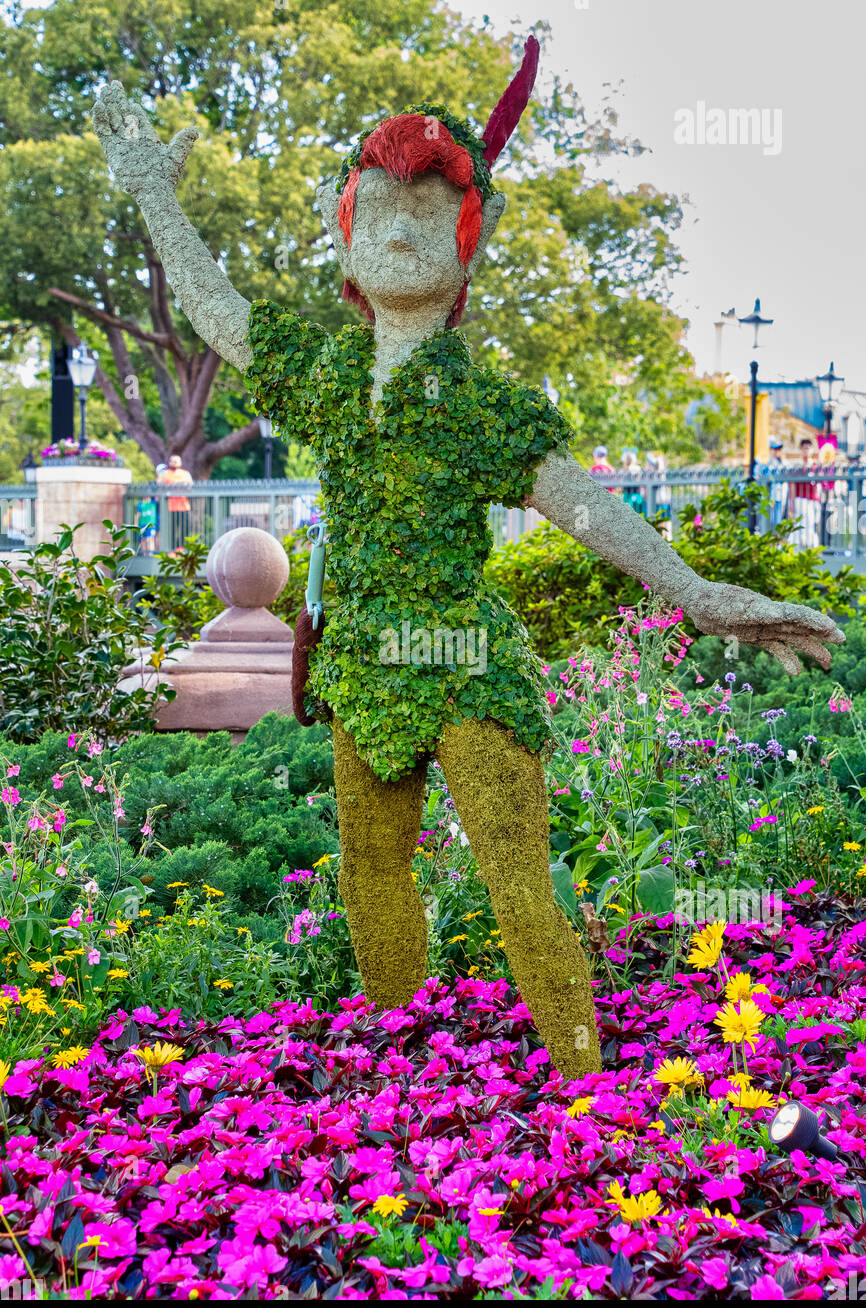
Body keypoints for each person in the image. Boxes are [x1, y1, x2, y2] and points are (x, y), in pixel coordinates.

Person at [92, 55, 842, 1080]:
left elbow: (582, 503)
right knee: (369, 879)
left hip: (467, 663)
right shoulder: (322, 375)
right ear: (344, 230)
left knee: (516, 881)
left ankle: (585, 1085)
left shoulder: (482, 407)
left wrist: (694, 591)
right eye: (385, 202)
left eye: (433, 204)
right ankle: (405, 1082)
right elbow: (219, 312)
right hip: (359, 667)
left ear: (464, 242)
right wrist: (151, 196)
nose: (403, 225)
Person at [160, 453, 193, 551]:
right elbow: (159, 486)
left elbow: (190, 486)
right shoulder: (165, 474)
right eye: (172, 461)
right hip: (170, 507)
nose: (174, 463)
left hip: (184, 506)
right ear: (169, 462)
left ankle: (181, 549)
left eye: (176, 461)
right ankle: (171, 550)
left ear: (180, 462)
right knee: (172, 530)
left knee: (184, 529)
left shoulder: (185, 474)